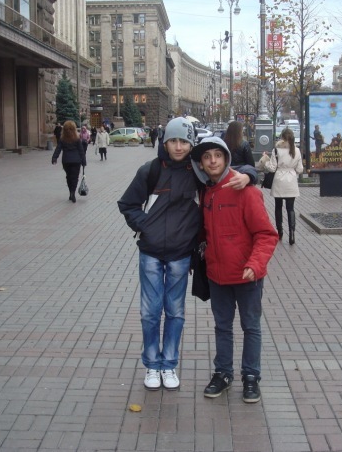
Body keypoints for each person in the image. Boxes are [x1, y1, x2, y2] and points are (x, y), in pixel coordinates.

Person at [117, 117, 257, 392]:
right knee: (150, 312)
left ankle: (168, 364)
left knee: (175, 312)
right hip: (151, 253)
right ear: (165, 143)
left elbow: (236, 169)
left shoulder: (198, 173)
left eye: (183, 141)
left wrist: (250, 175)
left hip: (181, 254)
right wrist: (146, 226)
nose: (179, 147)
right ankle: (152, 364)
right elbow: (127, 204)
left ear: (191, 144)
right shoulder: (150, 170)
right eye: (173, 141)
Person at [191, 136, 278, 403]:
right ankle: (223, 373)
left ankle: (251, 377)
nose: (213, 161)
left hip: (247, 275)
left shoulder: (246, 190)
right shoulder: (206, 191)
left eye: (218, 155)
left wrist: (255, 264)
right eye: (207, 157)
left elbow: (266, 234)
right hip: (217, 275)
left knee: (250, 327)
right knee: (222, 327)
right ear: (201, 164)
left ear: (227, 158)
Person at [257, 127, 304, 245]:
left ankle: (280, 231)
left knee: (278, 207)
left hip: (279, 180)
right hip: (291, 181)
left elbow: (272, 168)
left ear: (282, 137)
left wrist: (265, 160)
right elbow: (300, 169)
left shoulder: (277, 150)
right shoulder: (297, 150)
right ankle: (292, 233)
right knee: (290, 208)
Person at [52, 120, 87, 203]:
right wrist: (84, 161)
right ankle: (73, 192)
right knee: (75, 177)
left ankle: (70, 191)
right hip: (76, 161)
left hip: (66, 161)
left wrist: (54, 158)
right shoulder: (77, 139)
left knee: (68, 176)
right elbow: (81, 151)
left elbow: (58, 149)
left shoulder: (62, 139)